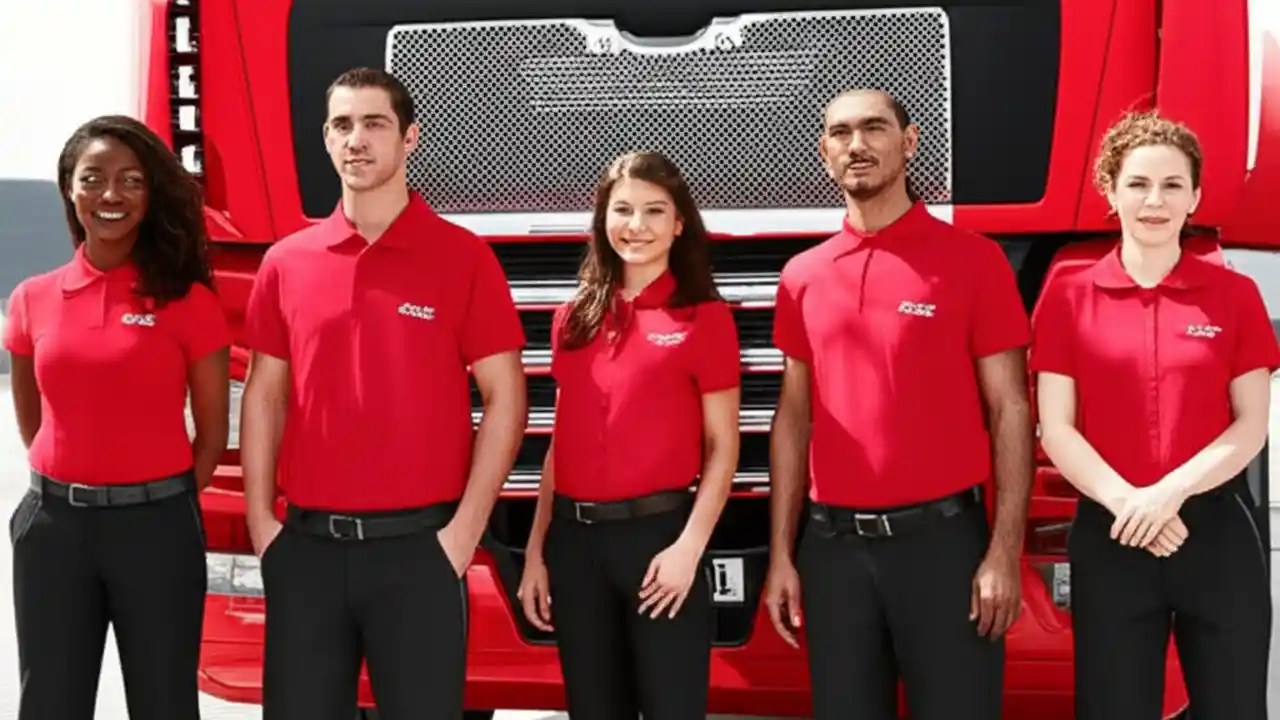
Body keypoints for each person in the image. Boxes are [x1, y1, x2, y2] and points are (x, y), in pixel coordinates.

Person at [239, 66, 527, 720]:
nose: (357, 140)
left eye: (375, 124)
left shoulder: (462, 257)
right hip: (306, 551)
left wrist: (463, 533)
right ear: (325, 138)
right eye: (342, 124)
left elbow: (506, 395)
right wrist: (262, 521)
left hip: (421, 552)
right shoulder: (286, 262)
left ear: (410, 138)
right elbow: (263, 395)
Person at [763, 88, 1034, 720]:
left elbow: (1011, 411)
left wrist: (1003, 551)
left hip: (944, 549)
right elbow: (793, 418)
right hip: (833, 555)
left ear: (909, 143)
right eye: (840, 134)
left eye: (874, 129)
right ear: (825, 152)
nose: (857, 145)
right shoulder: (801, 276)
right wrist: (783, 553)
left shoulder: (974, 261)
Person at [1032, 111, 1277, 719]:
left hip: (1216, 536)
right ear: (1109, 191)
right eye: (1138, 184)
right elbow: (1056, 427)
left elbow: (1250, 423)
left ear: (1195, 197)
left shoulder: (1234, 295)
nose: (1154, 201)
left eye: (1172, 185)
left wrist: (1165, 497)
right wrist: (1130, 503)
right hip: (1113, 535)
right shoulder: (1067, 298)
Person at [2, 115, 230, 719]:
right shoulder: (32, 299)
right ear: (70, 190)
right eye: (94, 178)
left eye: (131, 181)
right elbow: (33, 417)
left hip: (156, 531)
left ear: (150, 195)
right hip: (53, 530)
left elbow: (211, 435)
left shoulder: (189, 301)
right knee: (50, 702)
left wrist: (157, 492)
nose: (111, 195)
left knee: (164, 703)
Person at [516, 150, 741, 719]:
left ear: (679, 223)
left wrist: (688, 550)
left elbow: (722, 450)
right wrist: (538, 553)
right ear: (602, 218)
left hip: (660, 542)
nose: (636, 226)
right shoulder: (573, 317)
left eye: (653, 211)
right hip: (575, 545)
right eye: (622, 210)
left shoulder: (705, 318)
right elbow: (558, 447)